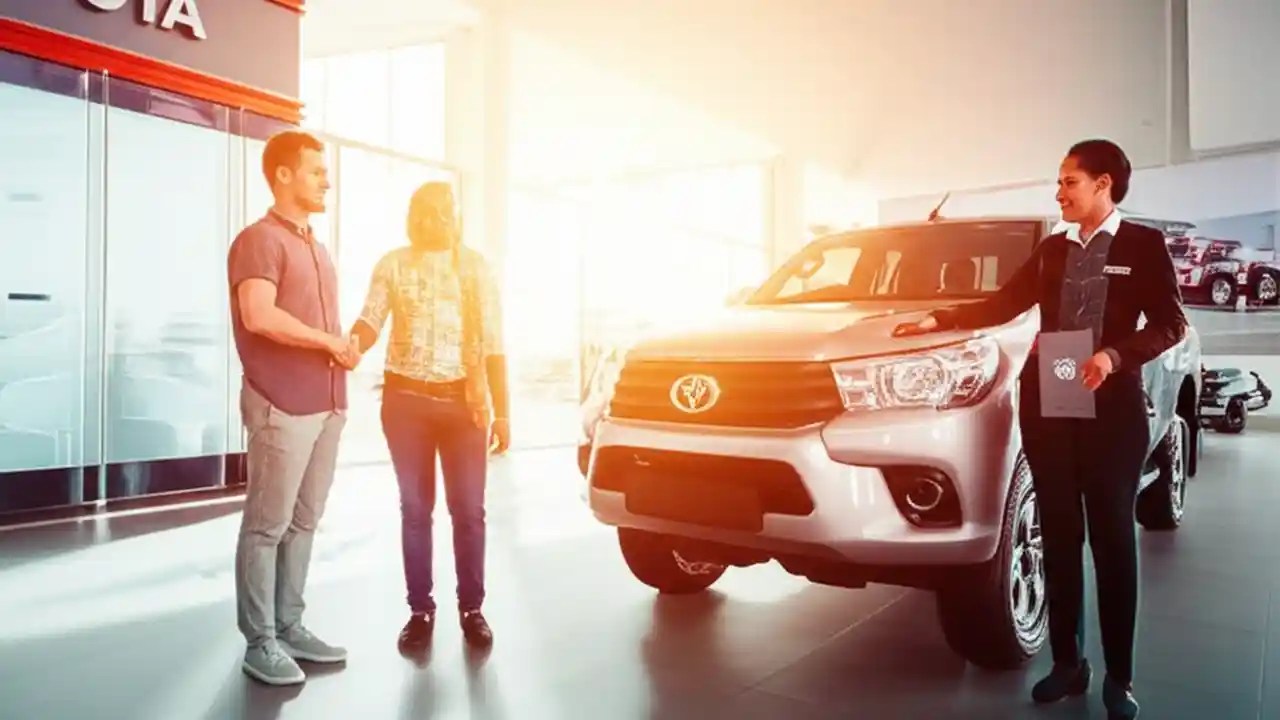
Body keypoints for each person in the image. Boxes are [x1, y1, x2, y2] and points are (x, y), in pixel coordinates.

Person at [894, 139, 1187, 719]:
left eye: (1069, 182)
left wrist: (1115, 356)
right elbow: (1005, 301)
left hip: (1112, 406)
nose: (1059, 193)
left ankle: (1119, 678)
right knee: (1056, 537)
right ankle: (1067, 664)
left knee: (1110, 542)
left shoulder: (1143, 244)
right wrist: (939, 318)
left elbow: (1171, 323)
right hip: (1049, 399)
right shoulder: (1053, 249)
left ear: (1104, 185)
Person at [347, 181, 510, 653]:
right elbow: (371, 319)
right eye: (422, 211)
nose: (432, 220)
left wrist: (503, 414)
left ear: (456, 218)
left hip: (465, 406)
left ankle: (471, 608)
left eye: (442, 212)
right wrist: (347, 346)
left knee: (469, 512)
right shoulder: (392, 264)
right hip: (406, 405)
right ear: (410, 215)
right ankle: (420, 610)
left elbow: (496, 342)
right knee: (416, 511)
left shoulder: (477, 268)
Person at [227, 130, 358, 686]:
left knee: (304, 523)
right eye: (314, 170)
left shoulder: (316, 247)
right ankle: (260, 642)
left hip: (326, 405)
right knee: (267, 526)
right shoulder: (259, 240)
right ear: (283, 175)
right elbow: (259, 315)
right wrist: (329, 342)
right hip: (281, 406)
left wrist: (341, 346)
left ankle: (290, 625)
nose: (325, 179)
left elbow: (315, 321)